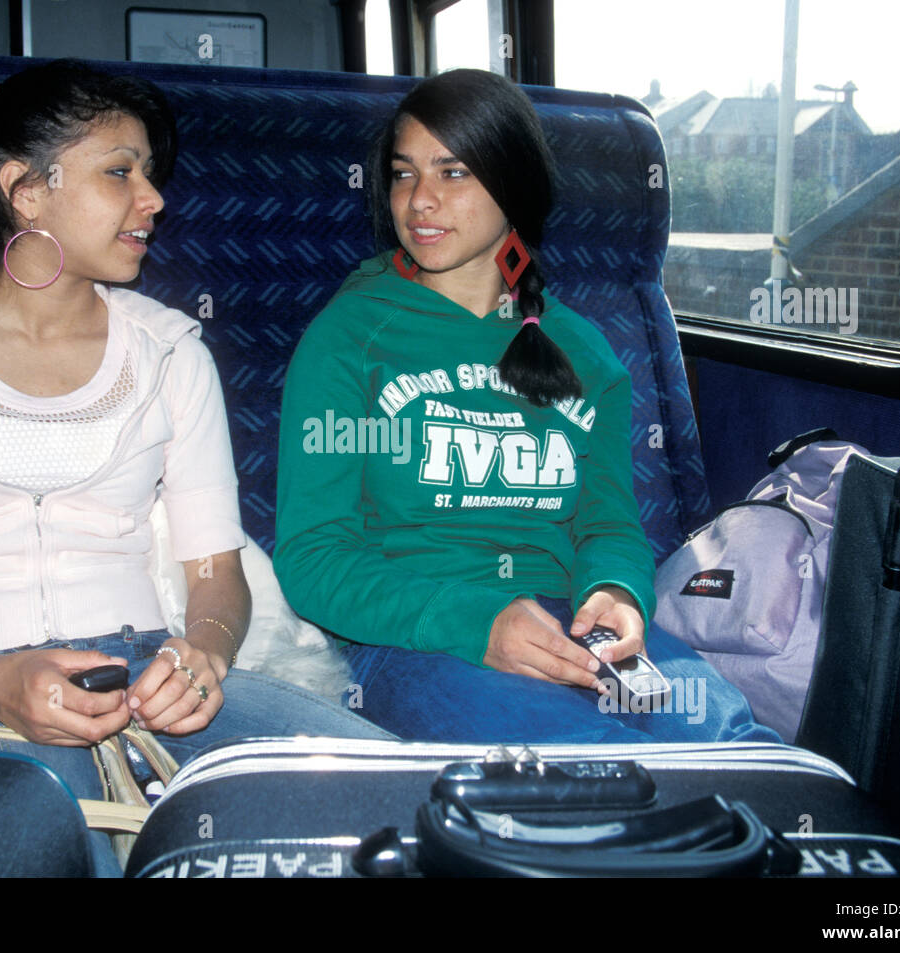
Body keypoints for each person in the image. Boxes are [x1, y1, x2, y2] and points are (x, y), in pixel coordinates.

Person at [0, 46, 389, 876]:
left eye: (150, 174)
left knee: (394, 798)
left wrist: (204, 655)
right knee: (46, 846)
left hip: (143, 669)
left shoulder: (170, 353)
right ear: (25, 188)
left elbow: (213, 574)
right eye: (120, 172)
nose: (153, 200)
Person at [274, 69, 781, 745]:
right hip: (417, 635)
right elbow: (314, 559)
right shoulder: (348, 339)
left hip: (569, 621)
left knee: (732, 742)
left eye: (452, 173)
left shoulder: (581, 350)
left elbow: (609, 525)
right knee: (589, 766)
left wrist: (616, 591)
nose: (419, 200)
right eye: (403, 174)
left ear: (512, 184)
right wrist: (477, 621)